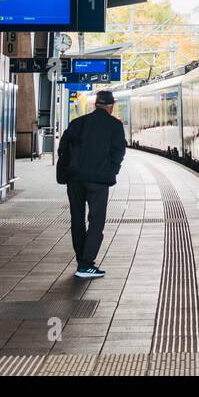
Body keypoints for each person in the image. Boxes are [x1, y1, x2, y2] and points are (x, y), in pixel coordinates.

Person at [58, 89, 126, 279]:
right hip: (98, 181)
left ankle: (82, 261)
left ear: (96, 104)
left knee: (77, 220)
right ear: (111, 106)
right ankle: (86, 264)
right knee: (96, 221)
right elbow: (118, 152)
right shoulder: (114, 125)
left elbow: (63, 148)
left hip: (75, 180)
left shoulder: (77, 123)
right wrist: (112, 172)